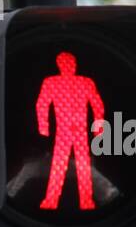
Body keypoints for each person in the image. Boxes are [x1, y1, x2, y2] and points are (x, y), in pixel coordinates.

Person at [35, 51, 105, 211]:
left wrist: (98, 128)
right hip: (65, 130)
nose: (69, 67)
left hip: (79, 129)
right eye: (65, 64)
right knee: (61, 165)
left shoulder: (85, 82)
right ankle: (53, 201)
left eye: (71, 63)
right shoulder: (51, 82)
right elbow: (42, 105)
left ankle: (84, 201)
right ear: (59, 65)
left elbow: (97, 104)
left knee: (82, 165)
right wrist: (44, 127)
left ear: (75, 65)